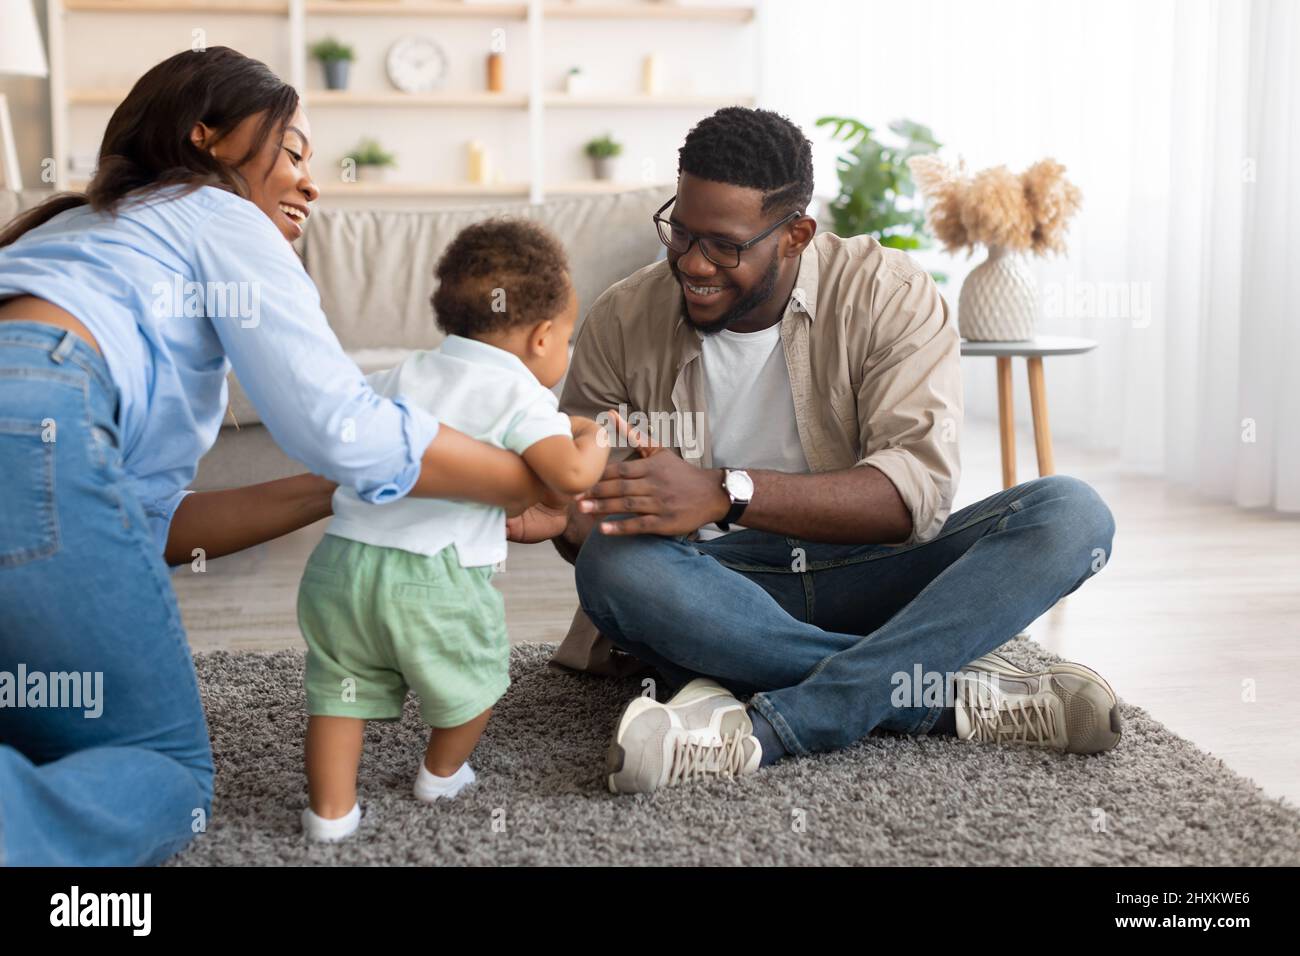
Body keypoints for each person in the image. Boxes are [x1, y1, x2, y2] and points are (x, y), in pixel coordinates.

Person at [0, 48, 544, 865]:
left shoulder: (76, 234)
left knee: (43, 722)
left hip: (30, 448)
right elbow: (342, 426)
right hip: (32, 419)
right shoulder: (214, 210)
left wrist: (344, 492)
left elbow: (131, 529)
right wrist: (527, 478)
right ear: (207, 139)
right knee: (162, 769)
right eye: (292, 153)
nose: (311, 183)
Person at [509, 107, 1121, 793]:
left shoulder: (889, 293)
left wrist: (723, 491)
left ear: (796, 234)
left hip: (878, 573)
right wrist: (572, 515)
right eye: (679, 231)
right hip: (715, 586)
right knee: (615, 568)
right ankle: (933, 691)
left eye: (724, 245)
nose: (692, 262)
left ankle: (760, 721)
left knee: (1072, 514)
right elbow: (591, 512)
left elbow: (912, 497)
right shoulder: (624, 318)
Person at [297, 220, 609, 842]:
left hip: (341, 566)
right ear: (542, 337)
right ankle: (441, 773)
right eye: (568, 338)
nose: (566, 350)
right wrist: (596, 431)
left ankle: (329, 815)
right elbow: (570, 478)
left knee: (337, 690)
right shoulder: (521, 397)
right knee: (481, 673)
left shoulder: (401, 374)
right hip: (432, 579)